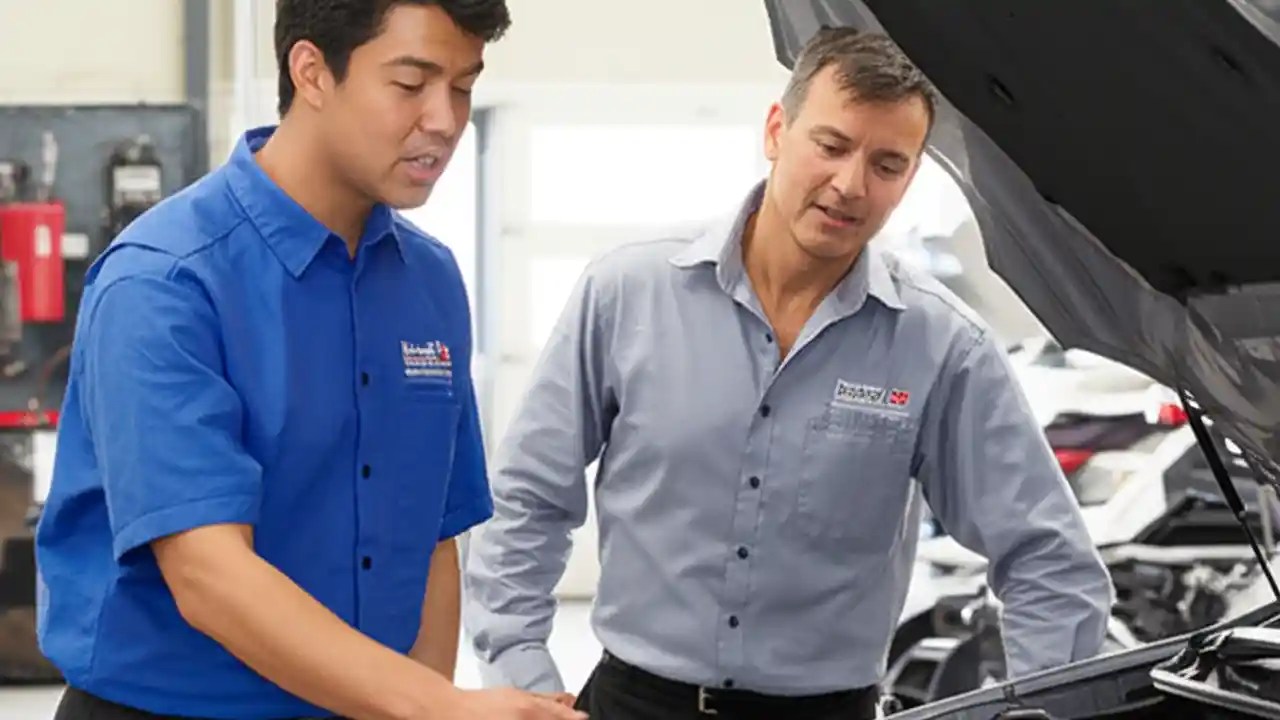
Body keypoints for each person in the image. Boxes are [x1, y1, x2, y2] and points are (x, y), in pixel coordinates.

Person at [462, 27, 1114, 720]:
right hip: (633, 703)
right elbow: (527, 501)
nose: (849, 185)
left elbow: (1051, 561)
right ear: (778, 129)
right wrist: (524, 677)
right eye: (830, 146)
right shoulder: (628, 293)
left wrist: (1040, 707)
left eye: (887, 164)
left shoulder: (942, 346)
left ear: (911, 176)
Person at [34, 2, 583, 719]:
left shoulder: (429, 281)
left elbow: (435, 538)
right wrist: (436, 707)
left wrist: (419, 706)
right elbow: (208, 573)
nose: (446, 120)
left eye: (463, 85)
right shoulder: (166, 282)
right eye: (411, 83)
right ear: (312, 71)